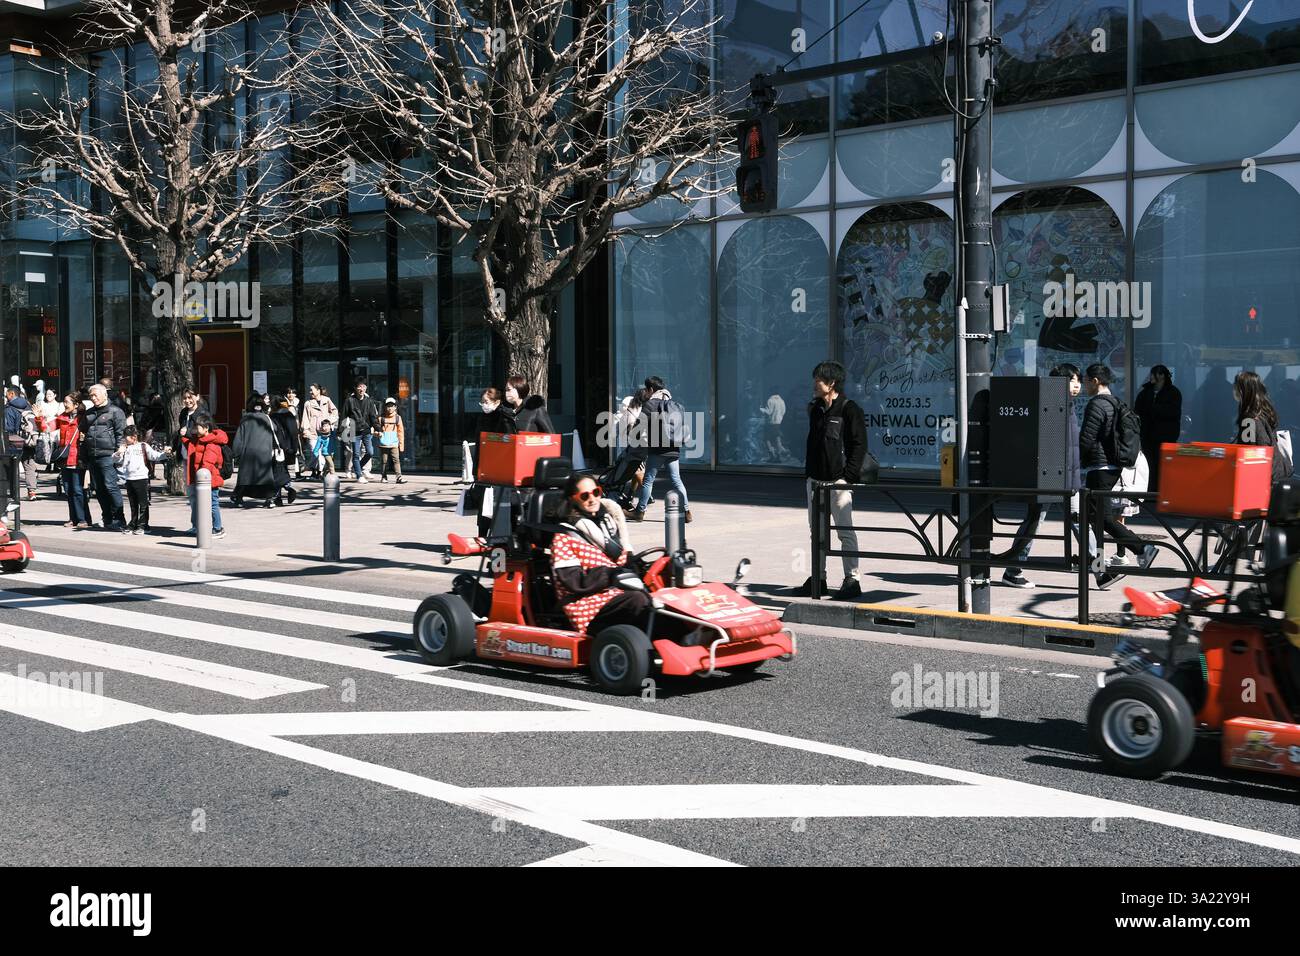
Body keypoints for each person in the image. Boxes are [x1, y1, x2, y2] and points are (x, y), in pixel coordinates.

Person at [551, 473, 659, 637]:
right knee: (638, 601)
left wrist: (648, 567)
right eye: (585, 496)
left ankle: (693, 635)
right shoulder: (564, 537)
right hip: (588, 606)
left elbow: (624, 560)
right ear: (573, 499)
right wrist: (610, 574)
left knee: (665, 592)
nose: (592, 499)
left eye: (596, 492)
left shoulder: (605, 524)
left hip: (616, 592)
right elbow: (573, 581)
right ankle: (660, 643)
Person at [1080, 363, 1157, 587]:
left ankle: (1140, 549)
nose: (1084, 384)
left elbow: (1086, 439)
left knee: (1098, 520)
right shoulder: (1116, 402)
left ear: (1095, 381)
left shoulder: (1097, 405)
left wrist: (1075, 460)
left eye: (1085, 380)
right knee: (1097, 519)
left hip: (1099, 468)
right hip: (1113, 467)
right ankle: (1103, 571)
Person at [797, 361, 869, 601]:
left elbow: (859, 445)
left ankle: (852, 579)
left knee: (844, 531)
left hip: (838, 482)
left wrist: (847, 477)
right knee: (815, 532)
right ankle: (818, 578)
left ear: (831, 383)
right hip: (815, 481)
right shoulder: (815, 408)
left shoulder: (849, 409)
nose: (814, 384)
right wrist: (809, 474)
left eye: (818, 379)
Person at [626, 376, 692, 524]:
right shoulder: (676, 404)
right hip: (674, 449)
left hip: (657, 450)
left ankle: (639, 511)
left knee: (648, 481)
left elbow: (638, 426)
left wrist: (634, 436)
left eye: (647, 390)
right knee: (676, 480)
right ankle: (687, 512)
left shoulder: (650, 404)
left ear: (651, 389)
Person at [78, 383, 127, 530]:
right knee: (98, 488)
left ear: (104, 394)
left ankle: (119, 518)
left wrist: (121, 449)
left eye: (95, 395)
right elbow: (83, 433)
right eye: (91, 395)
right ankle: (107, 518)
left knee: (110, 486)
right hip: (93, 455)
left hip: (108, 455)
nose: (93, 398)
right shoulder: (89, 413)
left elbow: (121, 433)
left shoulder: (115, 412)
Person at [1233, 370, 1291, 482]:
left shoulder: (1248, 419)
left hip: (1266, 478)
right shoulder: (1263, 412)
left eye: (1236, 386)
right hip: (1278, 471)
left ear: (1242, 390)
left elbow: (1249, 451)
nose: (1233, 390)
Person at [231, 393, 286, 507]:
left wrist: (235, 453)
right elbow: (275, 431)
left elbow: (239, 438)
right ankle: (268, 499)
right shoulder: (267, 418)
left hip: (248, 453)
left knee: (245, 477)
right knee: (265, 477)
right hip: (264, 453)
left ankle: (239, 497)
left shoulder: (246, 418)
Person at [113, 425, 171, 534]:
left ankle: (143, 525)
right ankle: (133, 523)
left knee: (143, 503)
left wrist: (165, 453)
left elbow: (155, 456)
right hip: (129, 479)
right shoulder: (125, 448)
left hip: (141, 478)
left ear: (134, 437)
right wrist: (119, 452)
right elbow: (115, 459)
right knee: (133, 504)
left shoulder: (143, 446)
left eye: (127, 436)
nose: (125, 438)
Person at [1133, 364, 1181, 492]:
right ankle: (1151, 490)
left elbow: (1174, 411)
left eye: (1156, 374)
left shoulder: (1173, 392)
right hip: (1148, 434)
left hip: (1166, 435)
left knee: (1163, 464)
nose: (1152, 377)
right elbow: (1137, 411)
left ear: (1162, 375)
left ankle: (1163, 490)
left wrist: (1153, 409)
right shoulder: (1145, 392)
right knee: (1149, 463)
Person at [181, 412, 227, 538]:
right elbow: (191, 447)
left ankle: (218, 528)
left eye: (198, 427)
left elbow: (207, 463)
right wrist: (183, 437)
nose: (195, 430)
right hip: (203, 480)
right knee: (205, 504)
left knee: (213, 504)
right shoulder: (199, 441)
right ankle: (204, 527)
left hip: (209, 480)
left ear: (206, 428)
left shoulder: (211, 444)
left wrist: (202, 477)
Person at [55, 393, 88, 528]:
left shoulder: (83, 419)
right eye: (64, 401)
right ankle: (73, 518)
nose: (64, 404)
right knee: (68, 490)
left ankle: (82, 519)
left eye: (67, 402)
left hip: (77, 458)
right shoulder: (62, 417)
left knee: (78, 490)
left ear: (75, 405)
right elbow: (46, 427)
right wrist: (39, 418)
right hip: (64, 458)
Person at [341, 379, 380, 482]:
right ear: (355, 388)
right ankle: (359, 475)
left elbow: (373, 417)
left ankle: (357, 468)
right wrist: (340, 432)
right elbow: (343, 416)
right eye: (359, 387)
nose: (361, 389)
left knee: (370, 452)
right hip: (354, 430)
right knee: (356, 454)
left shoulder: (369, 401)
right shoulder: (349, 400)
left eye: (363, 387)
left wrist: (378, 429)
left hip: (366, 431)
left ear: (366, 388)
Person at [4, 385, 38, 501]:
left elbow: (9, 428)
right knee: (29, 466)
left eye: (7, 394)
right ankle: (32, 492)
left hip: (15, 441)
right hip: (29, 440)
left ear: (12, 394)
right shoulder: (28, 406)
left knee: (11, 467)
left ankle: (12, 493)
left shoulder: (9, 409)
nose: (6, 397)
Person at [299, 384, 338, 478]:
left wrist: (330, 422)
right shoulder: (308, 403)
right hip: (312, 432)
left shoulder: (327, 400)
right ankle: (314, 470)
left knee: (323, 452)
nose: (310, 392)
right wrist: (305, 430)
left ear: (318, 391)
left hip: (325, 432)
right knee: (314, 451)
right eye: (310, 390)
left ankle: (319, 471)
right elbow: (305, 417)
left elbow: (335, 412)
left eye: (312, 390)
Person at [270, 395, 301, 506]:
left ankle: (283, 492)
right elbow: (294, 433)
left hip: (278, 448)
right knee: (281, 471)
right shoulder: (289, 415)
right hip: (289, 448)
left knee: (277, 472)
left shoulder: (273, 416)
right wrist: (294, 448)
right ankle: (282, 494)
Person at [375, 396, 406, 483]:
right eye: (388, 406)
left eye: (392, 406)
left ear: (395, 407)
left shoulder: (398, 418)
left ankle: (399, 477)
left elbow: (401, 432)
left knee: (396, 460)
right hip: (383, 443)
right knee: (384, 461)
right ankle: (384, 477)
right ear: (385, 407)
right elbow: (374, 429)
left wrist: (401, 445)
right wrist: (377, 434)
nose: (390, 408)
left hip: (394, 443)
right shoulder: (380, 418)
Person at [760, 386, 790, 462]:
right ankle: (781, 454)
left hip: (771, 423)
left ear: (771, 391)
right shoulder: (782, 401)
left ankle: (773, 454)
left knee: (767, 439)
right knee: (777, 439)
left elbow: (768, 412)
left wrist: (760, 409)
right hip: (779, 423)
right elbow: (784, 412)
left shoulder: (770, 400)